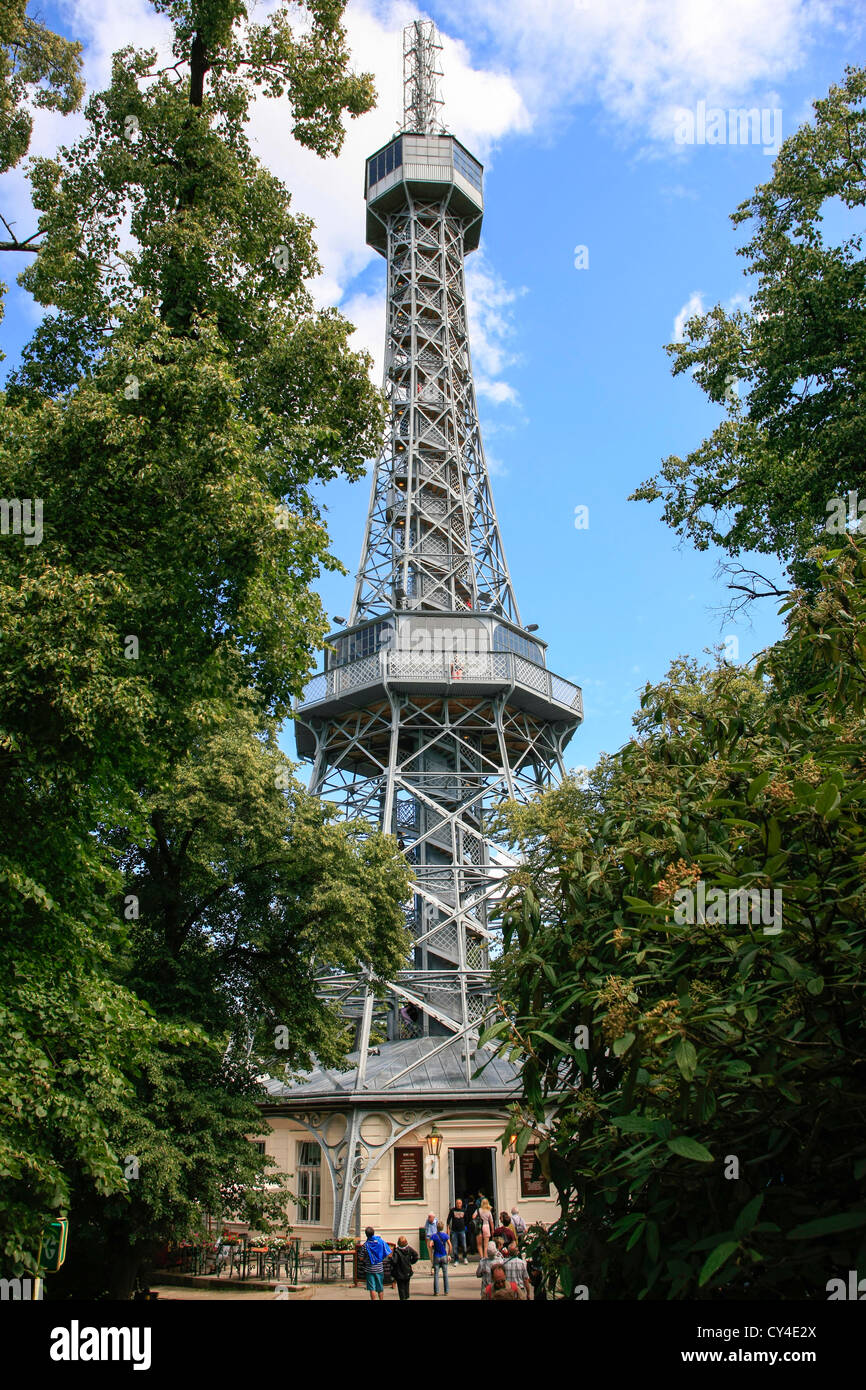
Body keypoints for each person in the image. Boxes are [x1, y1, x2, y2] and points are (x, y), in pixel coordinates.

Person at [360, 1225, 392, 1302]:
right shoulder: (380, 1242)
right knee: (380, 1287)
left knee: (372, 1288)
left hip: (369, 1269)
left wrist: (366, 1258)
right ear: (373, 1233)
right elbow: (389, 1252)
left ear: (366, 1234)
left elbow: (361, 1257)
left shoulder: (365, 1245)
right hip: (379, 1268)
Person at [390, 1235, 419, 1301]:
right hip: (407, 1271)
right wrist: (411, 1262)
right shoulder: (409, 1249)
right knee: (406, 1286)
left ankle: (403, 1298)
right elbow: (416, 1256)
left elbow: (394, 1261)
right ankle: (406, 1297)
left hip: (399, 1272)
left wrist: (391, 1256)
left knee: (401, 1288)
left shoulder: (397, 1251)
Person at [430, 1221, 452, 1295]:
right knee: (445, 1274)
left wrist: (433, 1248)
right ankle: (446, 1291)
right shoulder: (445, 1235)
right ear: (443, 1227)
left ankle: (436, 1291)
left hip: (436, 1255)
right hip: (444, 1255)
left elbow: (430, 1245)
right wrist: (449, 1254)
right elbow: (450, 1245)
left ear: (437, 1227)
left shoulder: (434, 1236)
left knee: (436, 1274)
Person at [447, 1198, 468, 1264]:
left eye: (460, 1203)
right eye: (457, 1203)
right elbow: (448, 1220)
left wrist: (465, 1226)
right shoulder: (452, 1210)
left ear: (461, 1204)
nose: (458, 1204)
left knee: (464, 1245)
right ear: (455, 1204)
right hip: (454, 1231)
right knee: (455, 1246)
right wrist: (448, 1229)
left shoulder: (464, 1210)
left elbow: (467, 1219)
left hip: (462, 1230)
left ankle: (465, 1257)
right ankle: (456, 1260)